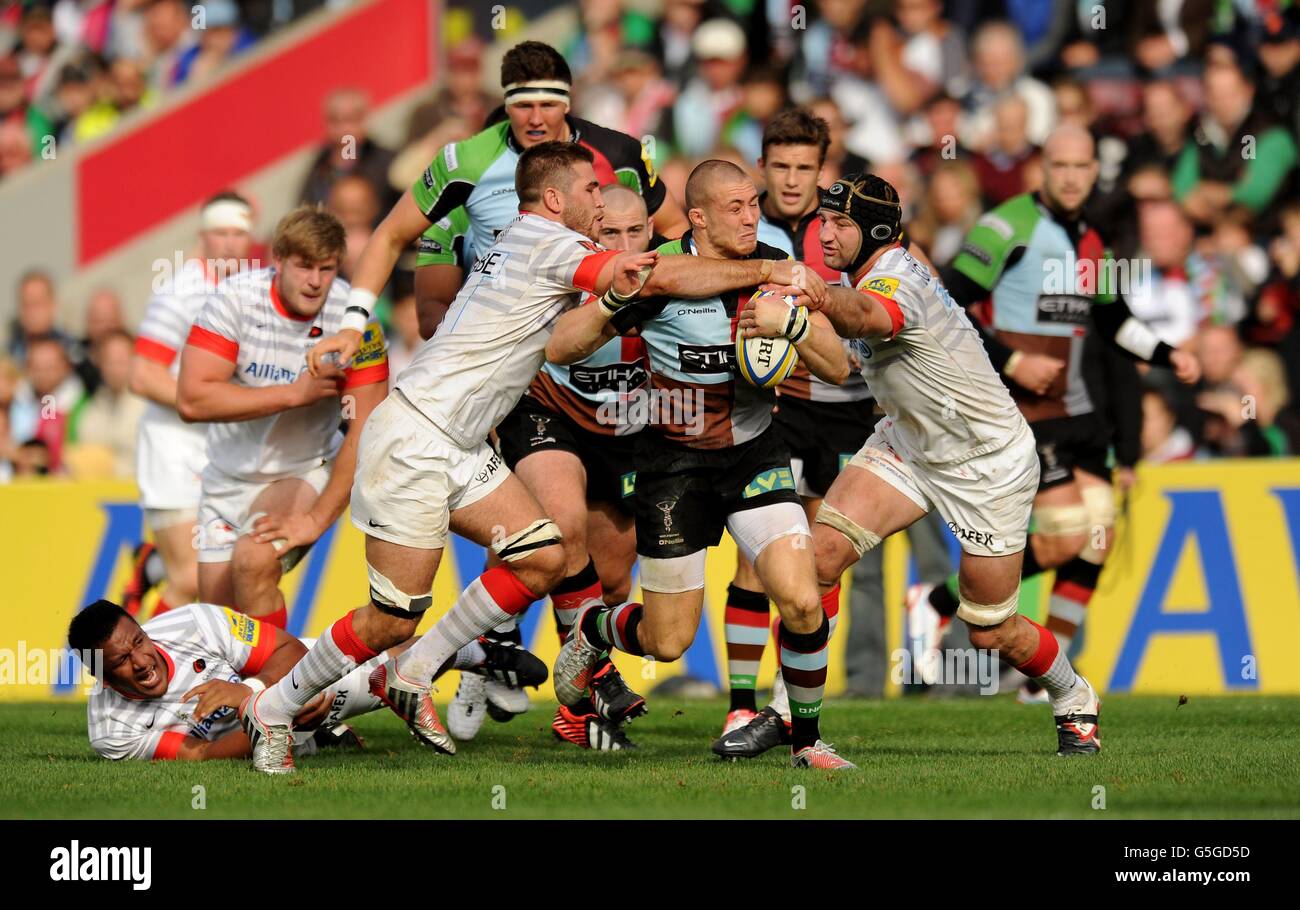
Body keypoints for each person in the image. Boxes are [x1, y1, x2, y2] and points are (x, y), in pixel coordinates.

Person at [245, 143, 819, 776]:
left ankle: (413, 672)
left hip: (456, 442)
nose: (602, 200)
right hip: (415, 440)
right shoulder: (550, 244)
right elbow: (655, 278)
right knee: (389, 617)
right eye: (592, 191)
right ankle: (273, 709)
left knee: (544, 557)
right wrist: (770, 271)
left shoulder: (529, 240)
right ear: (555, 200)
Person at [718, 172, 1097, 760]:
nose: (825, 232)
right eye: (824, 220)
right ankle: (789, 713)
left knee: (990, 628)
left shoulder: (895, 277)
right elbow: (841, 360)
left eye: (840, 223)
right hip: (909, 446)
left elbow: (868, 316)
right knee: (817, 560)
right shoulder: (862, 273)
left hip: (987, 461)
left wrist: (805, 306)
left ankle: (1074, 698)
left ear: (873, 231)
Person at [545, 159, 854, 769]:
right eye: (734, 207)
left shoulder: (778, 268)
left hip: (755, 455)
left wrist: (791, 320)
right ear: (698, 218)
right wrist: (610, 300)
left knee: (802, 598)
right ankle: (594, 632)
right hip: (672, 464)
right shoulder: (656, 270)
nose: (750, 216)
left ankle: (807, 742)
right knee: (668, 641)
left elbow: (839, 367)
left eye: (753, 205)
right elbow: (560, 344)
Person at [914, 125, 1200, 696]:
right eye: (1061, 166)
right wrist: (1014, 359)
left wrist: (1172, 355)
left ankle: (1045, 679)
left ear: (1095, 172)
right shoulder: (1005, 226)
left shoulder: (1094, 239)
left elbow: (1114, 322)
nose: (1071, 177)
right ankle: (939, 599)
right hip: (1019, 410)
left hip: (1076, 413)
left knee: (1098, 537)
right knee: (1067, 534)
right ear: (1043, 167)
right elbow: (944, 304)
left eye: (1082, 167)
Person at [490, 184, 655, 750]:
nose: (626, 244)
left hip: (626, 435)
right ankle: (507, 651)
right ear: (591, 234)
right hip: (547, 413)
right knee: (561, 526)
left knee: (610, 581)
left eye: (637, 232)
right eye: (612, 233)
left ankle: (574, 710)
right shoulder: (562, 270)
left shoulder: (673, 277)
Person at [176, 207, 389, 628]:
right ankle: (289, 680)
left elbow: (367, 428)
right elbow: (192, 401)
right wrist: (293, 394)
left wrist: (315, 518)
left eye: (326, 269)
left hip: (302, 471)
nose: (315, 281)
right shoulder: (234, 301)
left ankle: (277, 693)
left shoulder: (354, 322)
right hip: (225, 477)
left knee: (253, 560)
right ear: (278, 261)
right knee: (220, 627)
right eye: (304, 266)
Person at [69, 598, 541, 762]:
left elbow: (286, 652)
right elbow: (203, 754)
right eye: (121, 662)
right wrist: (272, 721)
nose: (141, 660)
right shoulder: (112, 729)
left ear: (143, 628)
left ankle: (473, 652)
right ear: (104, 678)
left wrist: (254, 695)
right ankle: (472, 654)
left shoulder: (192, 623)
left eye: (137, 641)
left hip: (293, 684)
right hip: (266, 729)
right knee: (349, 687)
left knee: (367, 672)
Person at [122, 192, 256, 617]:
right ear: (203, 237)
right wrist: (208, 401)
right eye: (221, 233)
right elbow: (143, 374)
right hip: (174, 448)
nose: (230, 243)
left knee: (224, 575)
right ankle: (136, 677)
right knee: (191, 580)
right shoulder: (180, 292)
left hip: (219, 449)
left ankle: (154, 564)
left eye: (239, 233)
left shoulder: (249, 289)